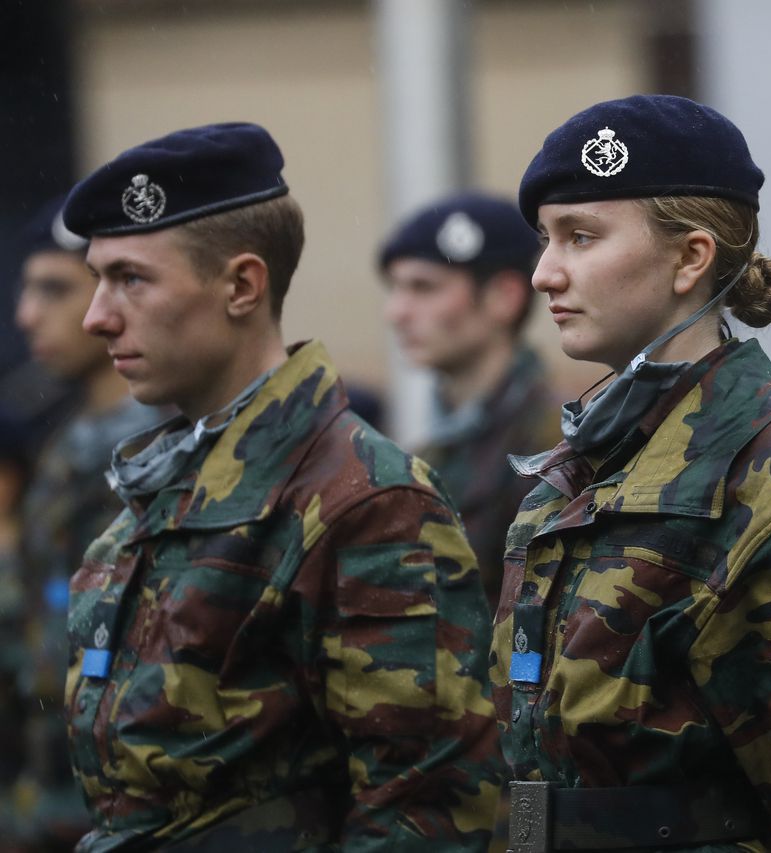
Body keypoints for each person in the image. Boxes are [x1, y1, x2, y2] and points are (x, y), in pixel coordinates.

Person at [61, 122, 501, 851]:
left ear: (241, 285)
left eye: (131, 278)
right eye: (98, 278)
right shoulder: (161, 491)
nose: (97, 316)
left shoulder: (364, 500)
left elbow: (426, 808)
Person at [489, 94, 771, 852]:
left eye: (580, 237)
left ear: (691, 257)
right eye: (546, 240)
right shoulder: (570, 480)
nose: (546, 273)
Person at [5, 197, 167, 849]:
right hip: (54, 797)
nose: (26, 315)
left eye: (54, 289)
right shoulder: (70, 440)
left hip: (121, 806)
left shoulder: (158, 455)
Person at [379, 193, 561, 608]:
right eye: (395, 287)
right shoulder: (429, 452)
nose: (396, 312)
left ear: (504, 297)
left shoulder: (555, 445)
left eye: (423, 287)